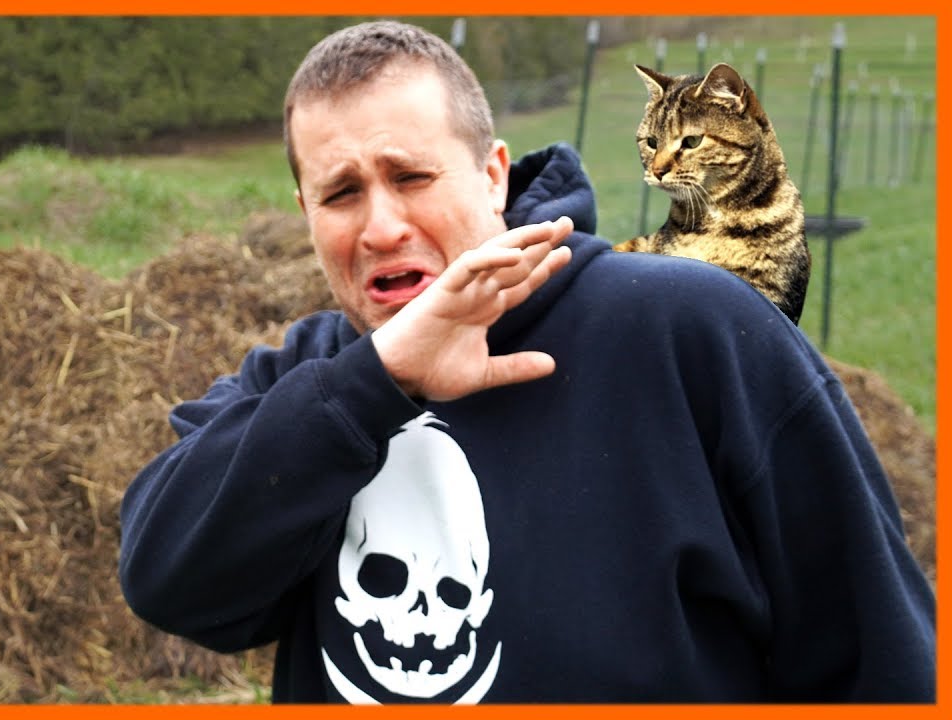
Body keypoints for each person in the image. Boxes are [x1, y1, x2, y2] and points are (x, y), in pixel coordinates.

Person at [118, 20, 935, 704]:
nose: (380, 226)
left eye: (411, 176)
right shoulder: (302, 384)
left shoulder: (694, 331)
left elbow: (880, 662)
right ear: (305, 213)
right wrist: (377, 386)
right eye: (340, 194)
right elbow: (167, 580)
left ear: (493, 175)